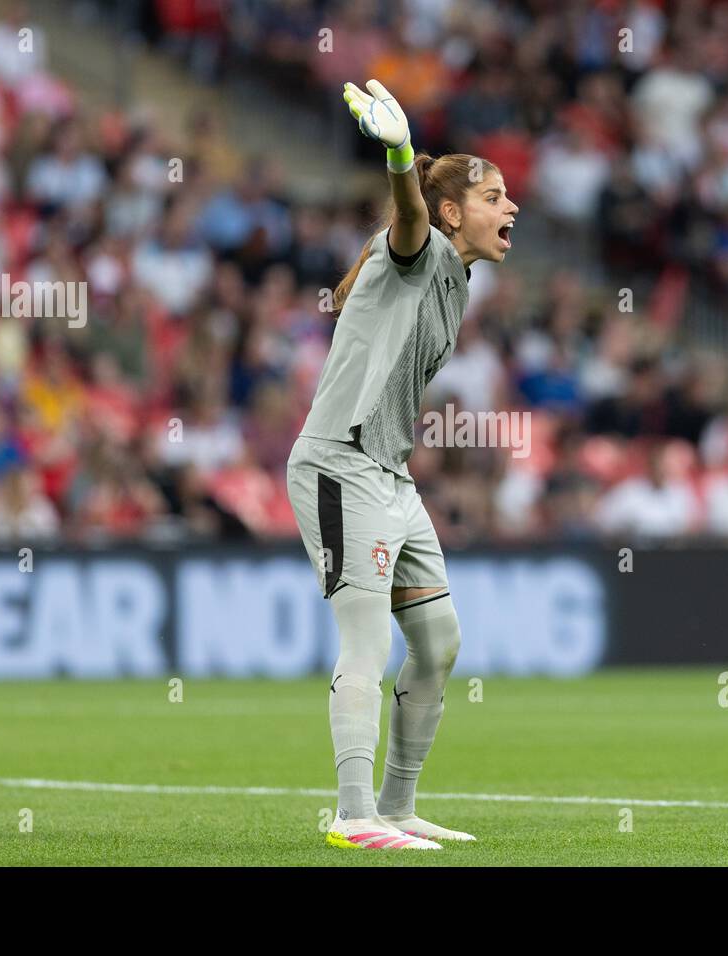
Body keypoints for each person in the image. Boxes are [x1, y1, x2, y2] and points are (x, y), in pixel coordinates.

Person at [286, 80, 518, 851]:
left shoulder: (456, 280)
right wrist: (396, 155)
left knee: (439, 639)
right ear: (453, 212)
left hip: (388, 473)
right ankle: (352, 817)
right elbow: (410, 214)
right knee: (365, 641)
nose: (510, 208)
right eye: (493, 196)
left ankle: (395, 805)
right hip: (337, 463)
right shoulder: (417, 251)